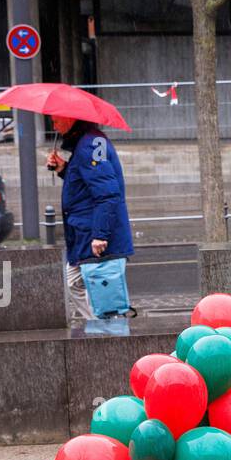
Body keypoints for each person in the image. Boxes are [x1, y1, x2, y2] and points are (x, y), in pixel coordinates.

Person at [46, 116, 134, 323]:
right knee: (79, 284)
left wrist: (100, 234)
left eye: (55, 120)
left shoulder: (90, 144)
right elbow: (88, 184)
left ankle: (104, 329)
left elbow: (107, 193)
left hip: (94, 234)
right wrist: (63, 169)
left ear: (69, 119)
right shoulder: (90, 142)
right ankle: (100, 325)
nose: (54, 125)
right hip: (86, 231)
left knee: (90, 286)